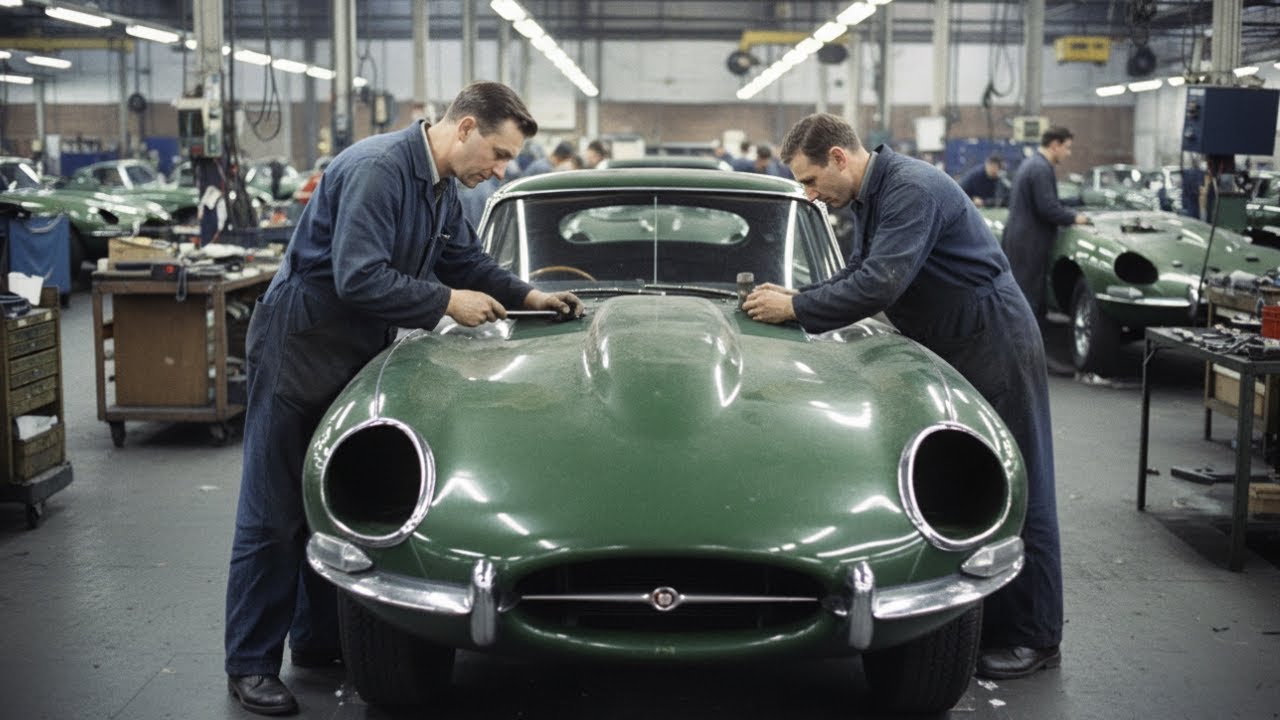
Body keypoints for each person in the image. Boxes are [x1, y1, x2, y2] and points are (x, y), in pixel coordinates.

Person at [223, 81, 583, 716]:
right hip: (302, 338)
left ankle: (312, 641)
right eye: (498, 155)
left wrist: (531, 297)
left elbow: (466, 261)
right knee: (273, 506)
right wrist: (445, 302)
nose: (498, 170)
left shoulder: (444, 189)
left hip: (357, 341)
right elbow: (358, 275)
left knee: (328, 493)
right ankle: (250, 664)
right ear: (465, 127)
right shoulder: (377, 169)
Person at [742, 113, 1063, 681]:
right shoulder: (871, 196)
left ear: (840, 157)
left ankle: (1035, 637)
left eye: (811, 180)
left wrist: (797, 308)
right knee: (965, 483)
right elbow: (864, 269)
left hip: (991, 336)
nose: (809, 193)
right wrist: (802, 294)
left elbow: (879, 284)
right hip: (950, 335)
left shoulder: (910, 188)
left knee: (1018, 479)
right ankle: (985, 616)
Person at [1001, 127, 1090, 322]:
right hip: (1029, 243)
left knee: (1026, 295)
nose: (1069, 153)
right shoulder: (1040, 168)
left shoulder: (1032, 164)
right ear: (1054, 145)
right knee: (1027, 298)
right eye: (1067, 148)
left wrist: (1076, 202)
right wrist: (1076, 218)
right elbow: (1047, 208)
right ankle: (1023, 347)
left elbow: (1046, 201)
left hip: (1022, 239)